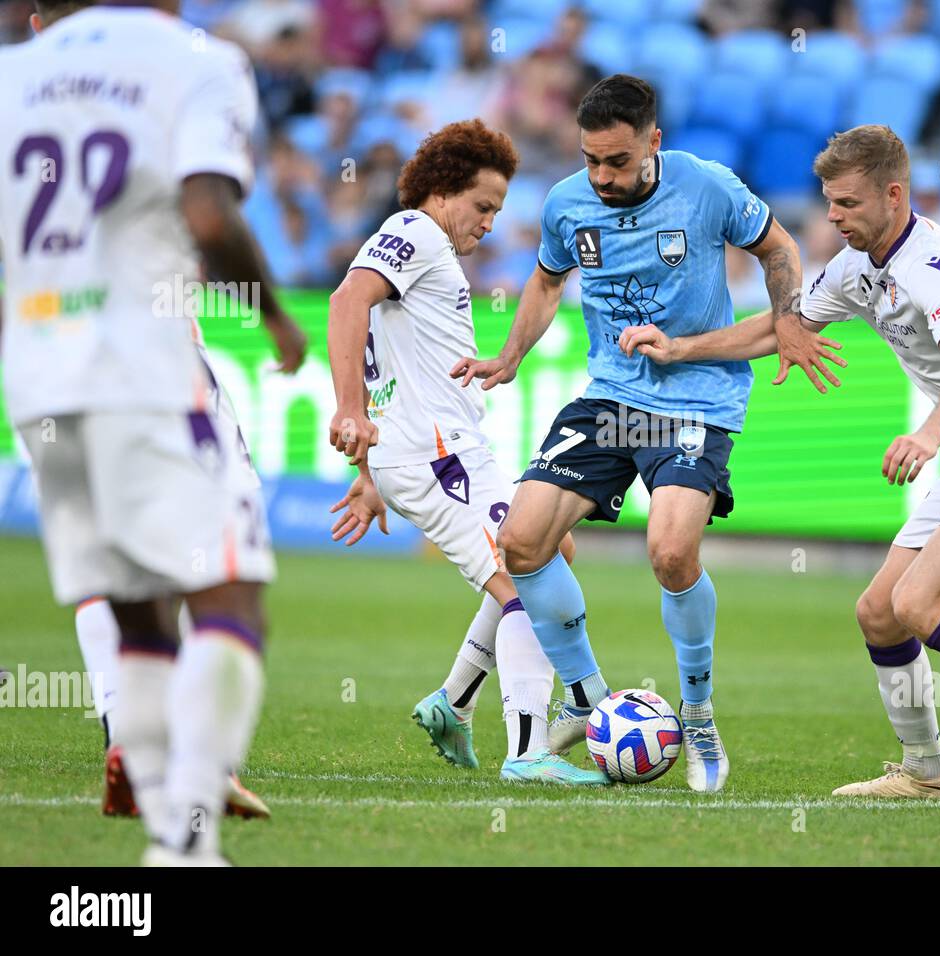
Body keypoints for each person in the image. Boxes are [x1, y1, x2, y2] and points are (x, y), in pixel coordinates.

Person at [622, 125, 940, 812]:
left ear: (893, 194)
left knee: (918, 604)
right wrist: (679, 349)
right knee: (880, 614)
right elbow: (783, 329)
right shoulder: (858, 268)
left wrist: (929, 433)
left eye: (848, 204)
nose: (833, 217)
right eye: (829, 202)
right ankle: (925, 771)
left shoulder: (933, 266)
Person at [451, 74, 838, 793]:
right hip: (609, 394)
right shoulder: (566, 202)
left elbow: (779, 249)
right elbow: (544, 281)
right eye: (591, 159)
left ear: (653, 143)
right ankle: (591, 698)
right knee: (524, 540)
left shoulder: (706, 187)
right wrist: (510, 355)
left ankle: (695, 710)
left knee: (669, 553)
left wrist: (787, 320)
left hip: (696, 399)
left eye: (617, 162)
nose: (601, 176)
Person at [0, 0, 306, 863]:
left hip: (39, 379)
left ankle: (153, 790)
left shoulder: (13, 73)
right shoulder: (196, 59)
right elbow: (208, 213)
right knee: (229, 595)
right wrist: (275, 316)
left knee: (134, 610)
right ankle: (188, 837)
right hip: (145, 366)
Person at [325, 119, 602, 785]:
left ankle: (454, 700)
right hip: (436, 455)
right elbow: (345, 302)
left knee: (548, 548)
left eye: (498, 211)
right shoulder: (416, 233)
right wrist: (349, 413)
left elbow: (384, 357)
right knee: (528, 584)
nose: (488, 224)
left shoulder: (422, 250)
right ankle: (529, 750)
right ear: (443, 192)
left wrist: (368, 473)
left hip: (436, 450)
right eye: (483, 207)